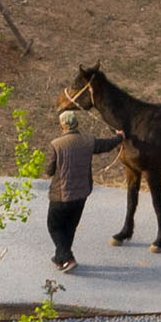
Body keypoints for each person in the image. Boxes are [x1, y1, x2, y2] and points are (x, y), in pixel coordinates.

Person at [45, 106, 102, 273]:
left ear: (62, 125)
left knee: (54, 226)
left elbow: (49, 170)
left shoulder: (56, 144)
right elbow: (106, 144)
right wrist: (120, 137)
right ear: (77, 124)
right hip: (81, 194)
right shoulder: (89, 141)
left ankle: (68, 258)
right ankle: (60, 258)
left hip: (61, 195)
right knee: (69, 227)